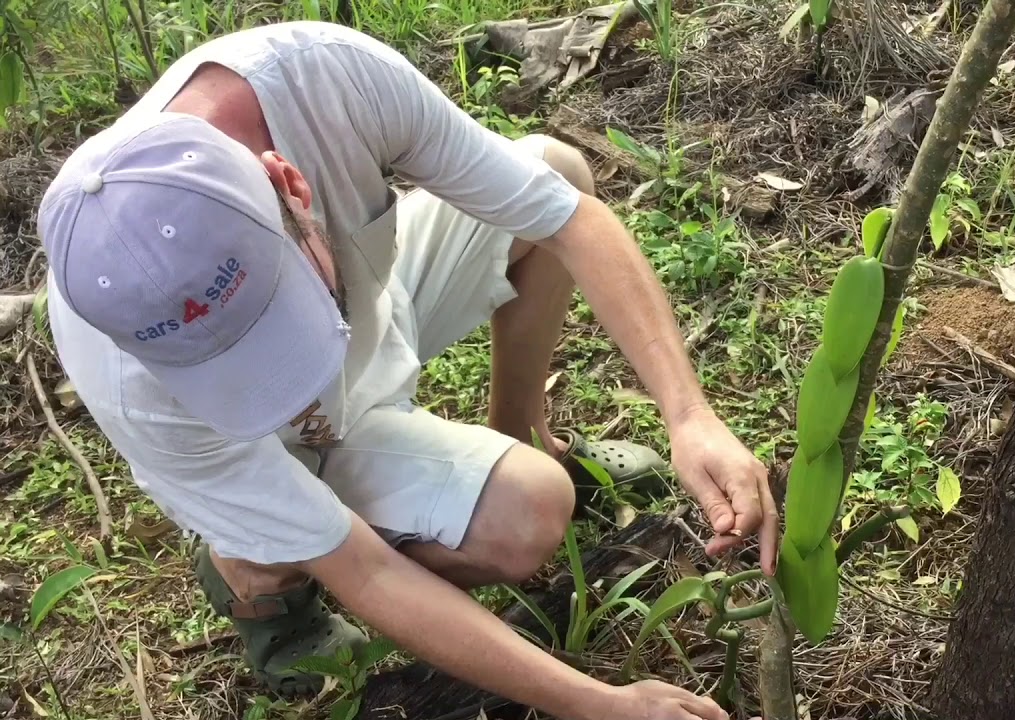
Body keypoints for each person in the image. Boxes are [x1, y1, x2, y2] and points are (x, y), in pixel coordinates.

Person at [37, 19, 778, 720]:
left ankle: (524, 434)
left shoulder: (328, 81)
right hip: (270, 437)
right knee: (526, 516)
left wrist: (690, 416)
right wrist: (595, 702)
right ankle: (257, 577)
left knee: (556, 172)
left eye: (272, 310)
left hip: (370, 305)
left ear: (291, 186)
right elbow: (367, 571)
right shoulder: (125, 371)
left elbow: (568, 221)